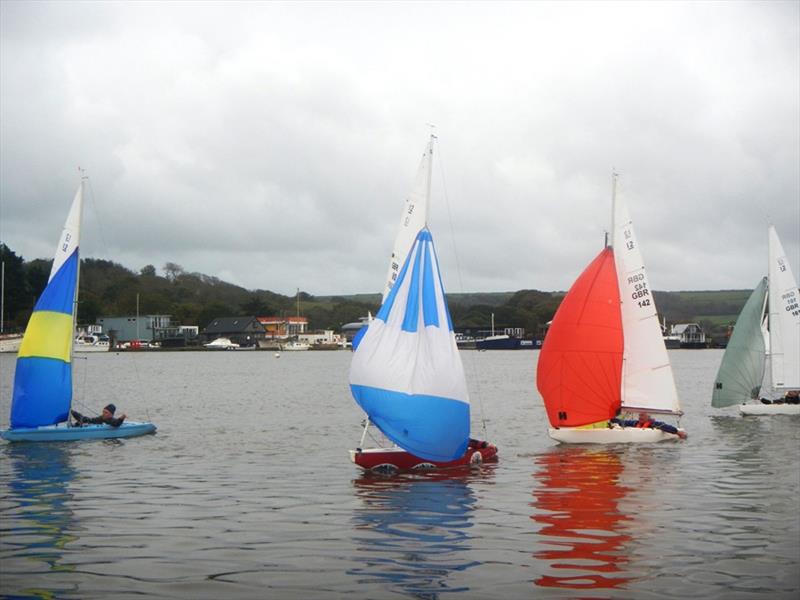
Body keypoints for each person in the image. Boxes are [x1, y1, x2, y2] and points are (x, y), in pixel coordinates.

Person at [611, 411, 687, 439]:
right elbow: (623, 422)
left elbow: (665, 426)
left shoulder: (654, 424)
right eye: (640, 416)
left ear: (648, 417)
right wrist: (611, 419)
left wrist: (678, 432)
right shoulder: (635, 423)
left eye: (642, 416)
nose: (640, 417)